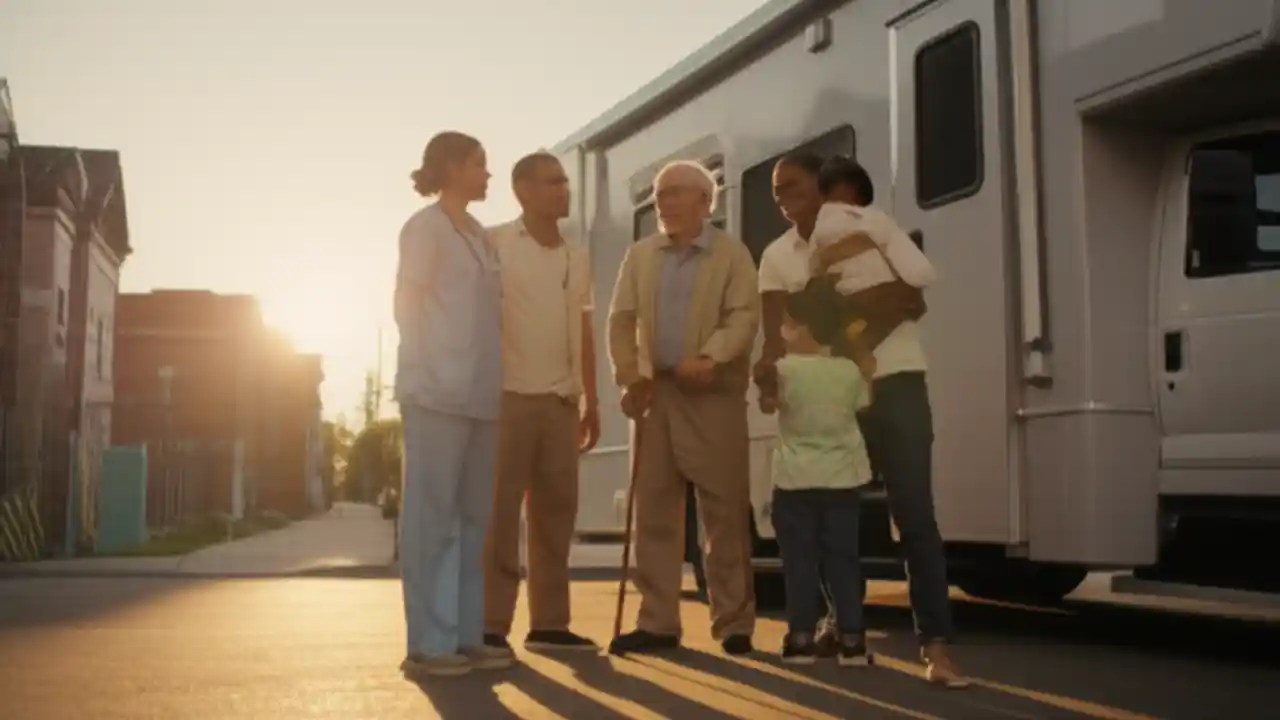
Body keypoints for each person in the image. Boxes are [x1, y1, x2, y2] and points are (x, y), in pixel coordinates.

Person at [754, 151, 968, 687]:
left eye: (795, 185)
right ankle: (838, 621)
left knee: (915, 516)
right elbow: (779, 330)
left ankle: (937, 647)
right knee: (826, 514)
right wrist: (772, 374)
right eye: (777, 190)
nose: (784, 198)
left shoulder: (869, 227)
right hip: (826, 395)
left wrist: (841, 322)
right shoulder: (778, 256)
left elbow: (912, 297)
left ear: (823, 187)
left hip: (897, 381)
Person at [606, 159, 760, 657]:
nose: (664, 203)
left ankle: (734, 623)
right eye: (659, 195)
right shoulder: (640, 255)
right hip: (656, 395)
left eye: (674, 193)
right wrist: (630, 377)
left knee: (724, 513)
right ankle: (657, 623)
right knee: (653, 512)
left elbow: (743, 317)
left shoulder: (731, 254)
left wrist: (711, 355)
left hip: (711, 394)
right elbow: (620, 320)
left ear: (704, 201)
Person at [394, 131, 510, 679]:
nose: (488, 174)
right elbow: (408, 303)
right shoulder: (424, 229)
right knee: (431, 520)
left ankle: (465, 636)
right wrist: (422, 370)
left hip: (480, 394)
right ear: (453, 167)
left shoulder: (479, 235)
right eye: (480, 164)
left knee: (471, 518)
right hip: (436, 391)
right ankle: (427, 644)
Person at [483, 152, 601, 654]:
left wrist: (591, 401)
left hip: (560, 402)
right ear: (522, 191)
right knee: (499, 517)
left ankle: (550, 625)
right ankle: (490, 625)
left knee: (556, 517)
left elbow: (583, 328)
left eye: (565, 182)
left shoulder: (577, 255)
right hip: (505, 398)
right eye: (553, 182)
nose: (564, 190)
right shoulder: (494, 245)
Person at [761, 289, 875, 667]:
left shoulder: (785, 369)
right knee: (843, 560)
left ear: (803, 328)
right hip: (842, 481)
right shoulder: (849, 371)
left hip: (795, 482)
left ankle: (800, 637)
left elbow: (769, 403)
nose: (782, 328)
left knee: (800, 562)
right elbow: (864, 403)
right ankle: (853, 640)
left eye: (788, 323)